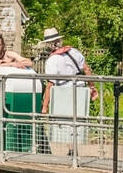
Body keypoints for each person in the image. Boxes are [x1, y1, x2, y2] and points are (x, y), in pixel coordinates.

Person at [39, 28, 93, 156]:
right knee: (77, 120)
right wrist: (92, 87)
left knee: (64, 122)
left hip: (63, 91)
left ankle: (72, 151)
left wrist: (45, 106)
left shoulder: (53, 60)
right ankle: (73, 150)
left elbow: (50, 84)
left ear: (50, 44)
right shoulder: (74, 51)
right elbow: (87, 70)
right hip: (79, 88)